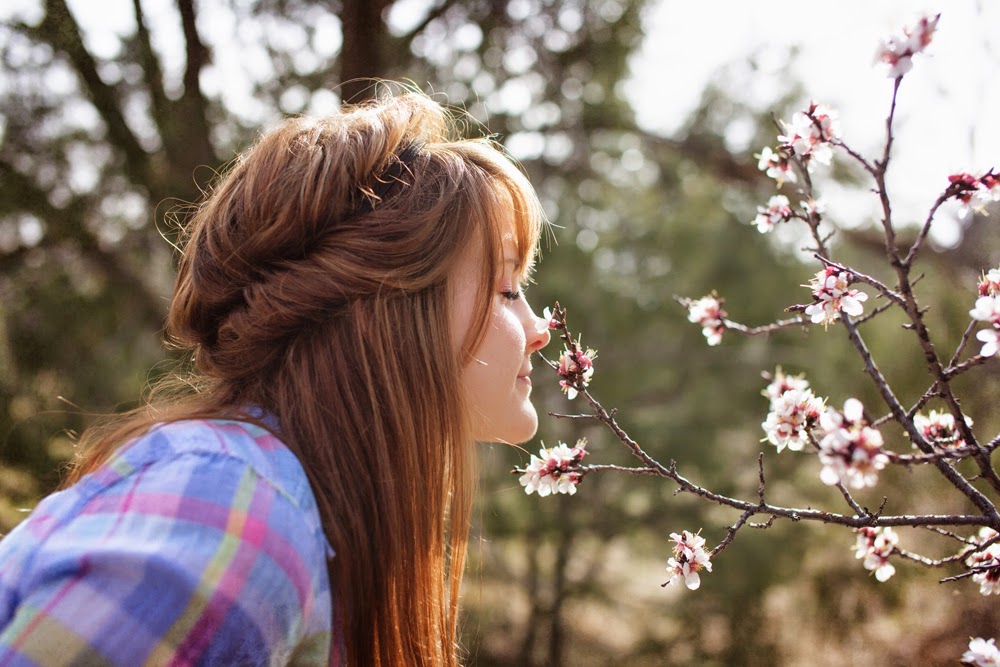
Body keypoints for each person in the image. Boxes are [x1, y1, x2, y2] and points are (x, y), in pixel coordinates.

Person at [0, 90, 551, 666]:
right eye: (507, 285)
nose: (538, 329)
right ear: (383, 305)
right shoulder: (236, 511)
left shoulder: (310, 516)